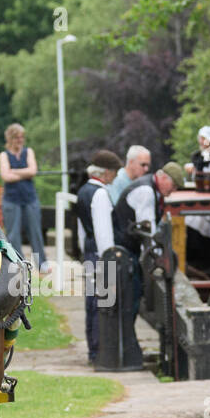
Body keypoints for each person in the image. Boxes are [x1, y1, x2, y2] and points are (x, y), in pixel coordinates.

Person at [112, 165, 181, 328]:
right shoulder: (146, 192)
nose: (173, 191)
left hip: (129, 249)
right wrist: (157, 260)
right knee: (131, 297)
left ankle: (126, 338)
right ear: (164, 178)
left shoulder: (151, 189)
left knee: (131, 299)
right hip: (124, 251)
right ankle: (126, 339)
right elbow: (147, 231)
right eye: (174, 186)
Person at [75, 149, 122, 364]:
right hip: (100, 254)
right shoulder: (101, 194)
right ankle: (100, 350)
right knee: (102, 303)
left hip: (89, 251)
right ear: (105, 173)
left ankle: (94, 349)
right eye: (113, 171)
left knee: (92, 302)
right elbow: (104, 232)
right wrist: (110, 260)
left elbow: (81, 230)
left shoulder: (83, 191)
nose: (115, 176)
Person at [0, 123, 51, 274]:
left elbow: (33, 171)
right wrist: (24, 172)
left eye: (22, 137)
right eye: (17, 137)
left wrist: (14, 170)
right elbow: (5, 176)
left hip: (30, 199)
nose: (20, 140)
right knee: (13, 234)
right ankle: (17, 264)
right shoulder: (4, 155)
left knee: (35, 232)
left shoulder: (29, 152)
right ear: (10, 138)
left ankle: (42, 264)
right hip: (11, 200)